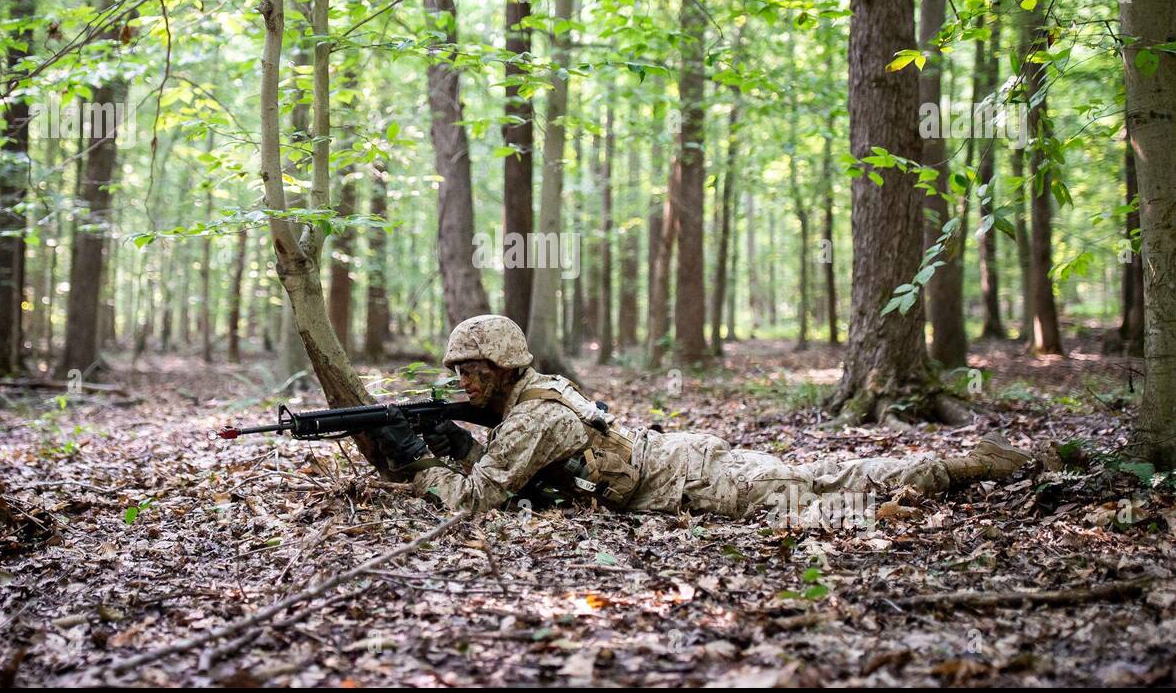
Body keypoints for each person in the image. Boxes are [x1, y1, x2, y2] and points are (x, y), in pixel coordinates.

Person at [366, 314, 1038, 521]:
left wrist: (425, 466)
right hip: (684, 462)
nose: (463, 381)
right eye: (458, 372)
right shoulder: (532, 395)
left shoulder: (532, 415)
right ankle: (951, 467)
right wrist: (454, 440)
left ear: (504, 368)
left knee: (828, 484)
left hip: (697, 481)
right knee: (821, 482)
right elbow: (505, 465)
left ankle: (955, 466)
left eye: (474, 370)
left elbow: (475, 502)